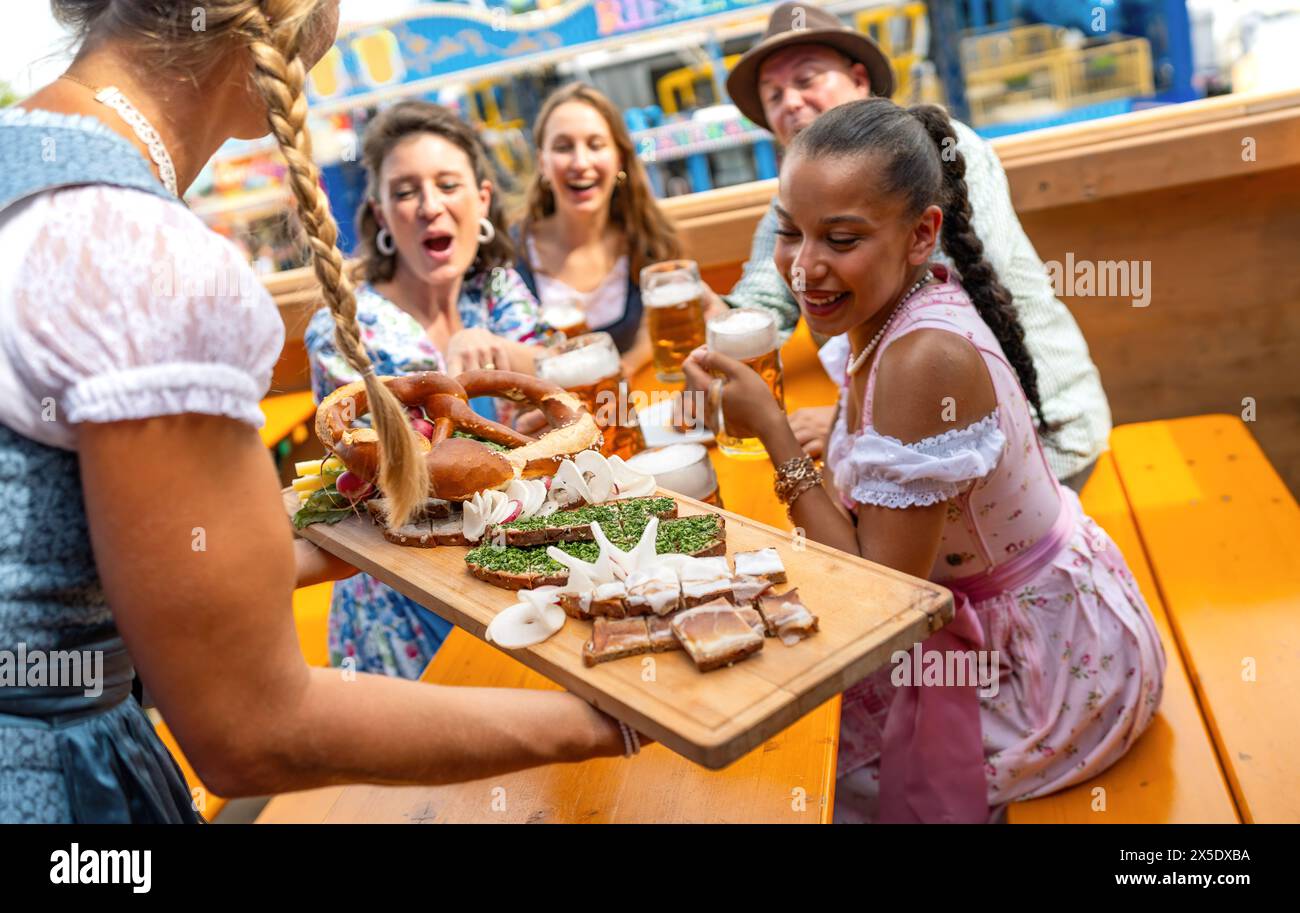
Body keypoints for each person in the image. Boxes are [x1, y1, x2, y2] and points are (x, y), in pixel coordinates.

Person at [0, 0, 639, 824]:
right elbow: (248, 729)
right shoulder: (142, 254)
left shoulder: (28, 160)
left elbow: (84, 555)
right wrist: (612, 716)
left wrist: (333, 531)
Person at [683, 98, 1164, 824]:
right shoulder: (888, 319)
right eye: (788, 232)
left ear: (921, 235)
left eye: (839, 239)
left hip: (1045, 672)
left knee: (777, 776)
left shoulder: (923, 360)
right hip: (1020, 615)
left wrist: (774, 432)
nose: (804, 268)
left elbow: (879, 598)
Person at [719, 2, 1111, 491]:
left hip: (1038, 436)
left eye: (807, 79)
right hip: (911, 437)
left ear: (860, 80)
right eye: (773, 95)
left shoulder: (945, 156)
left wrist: (847, 421)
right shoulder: (793, 207)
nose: (790, 103)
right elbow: (758, 303)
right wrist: (705, 333)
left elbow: (942, 314)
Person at [304, 100, 551, 677]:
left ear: (482, 199)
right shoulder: (347, 329)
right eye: (407, 191)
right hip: (402, 588)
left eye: (447, 184)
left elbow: (559, 365)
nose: (431, 206)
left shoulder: (495, 289)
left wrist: (493, 348)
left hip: (511, 561)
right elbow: (401, 469)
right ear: (382, 215)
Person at [514, 83, 683, 376]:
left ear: (619, 158)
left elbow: (657, 329)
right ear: (543, 163)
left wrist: (626, 368)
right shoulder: (511, 254)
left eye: (596, 145)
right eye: (563, 147)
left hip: (631, 407)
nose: (581, 163)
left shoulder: (649, 240)